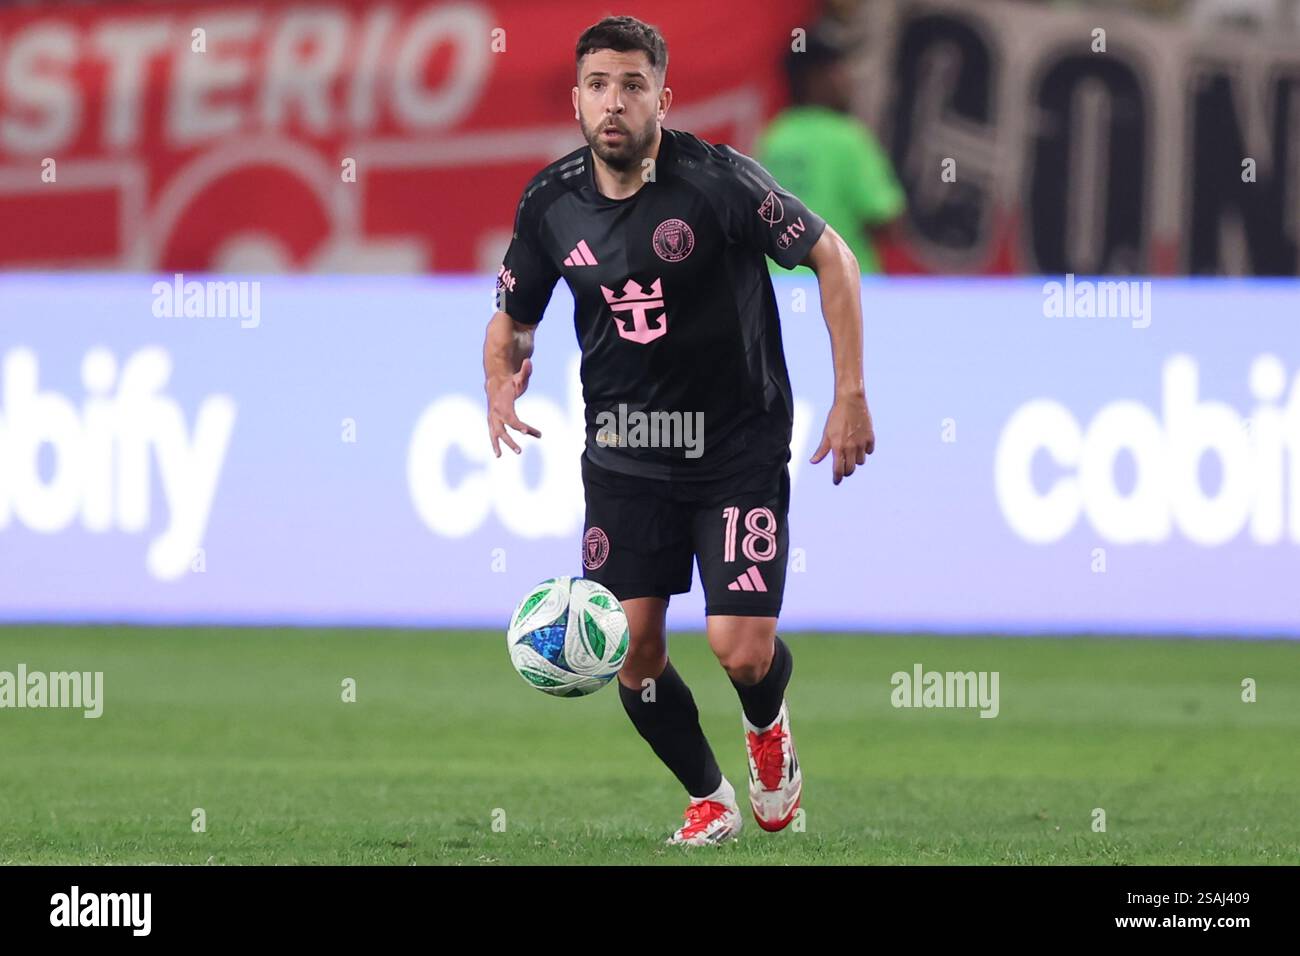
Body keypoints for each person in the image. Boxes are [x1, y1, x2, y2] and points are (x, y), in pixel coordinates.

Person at [482, 15, 875, 846]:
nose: (614, 103)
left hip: (736, 447)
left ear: (664, 95)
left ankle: (769, 735)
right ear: (577, 100)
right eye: (598, 86)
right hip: (623, 455)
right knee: (631, 651)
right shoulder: (550, 203)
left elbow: (832, 256)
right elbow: (514, 315)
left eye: (632, 85)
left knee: (740, 650)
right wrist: (498, 376)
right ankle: (709, 797)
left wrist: (850, 392)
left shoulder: (719, 183)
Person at [757, 26, 905, 276]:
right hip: (836, 288)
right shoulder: (847, 138)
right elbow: (886, 218)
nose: (849, 80)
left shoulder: (773, 137)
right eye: (839, 70)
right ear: (814, 80)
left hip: (778, 286)